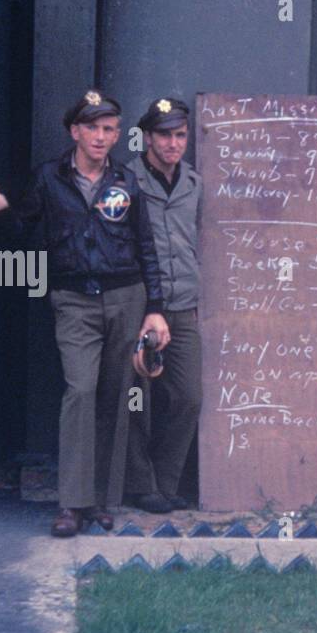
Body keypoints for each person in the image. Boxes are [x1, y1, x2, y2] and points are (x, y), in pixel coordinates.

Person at [0, 89, 170, 537]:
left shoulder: (126, 180)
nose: (101, 137)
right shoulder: (49, 178)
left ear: (118, 134)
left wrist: (154, 310)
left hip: (125, 295)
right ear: (74, 131)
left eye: (109, 129)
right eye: (93, 128)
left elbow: (146, 247)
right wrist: (2, 209)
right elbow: (23, 225)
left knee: (116, 397)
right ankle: (72, 504)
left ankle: (103, 501)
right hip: (74, 300)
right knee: (80, 391)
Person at [123, 97, 203, 514]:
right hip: (141, 305)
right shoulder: (127, 180)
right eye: (165, 135)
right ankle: (141, 485)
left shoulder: (193, 182)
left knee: (188, 396)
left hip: (183, 304)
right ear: (148, 137)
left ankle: (166, 483)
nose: (173, 144)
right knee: (138, 398)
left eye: (180, 135)